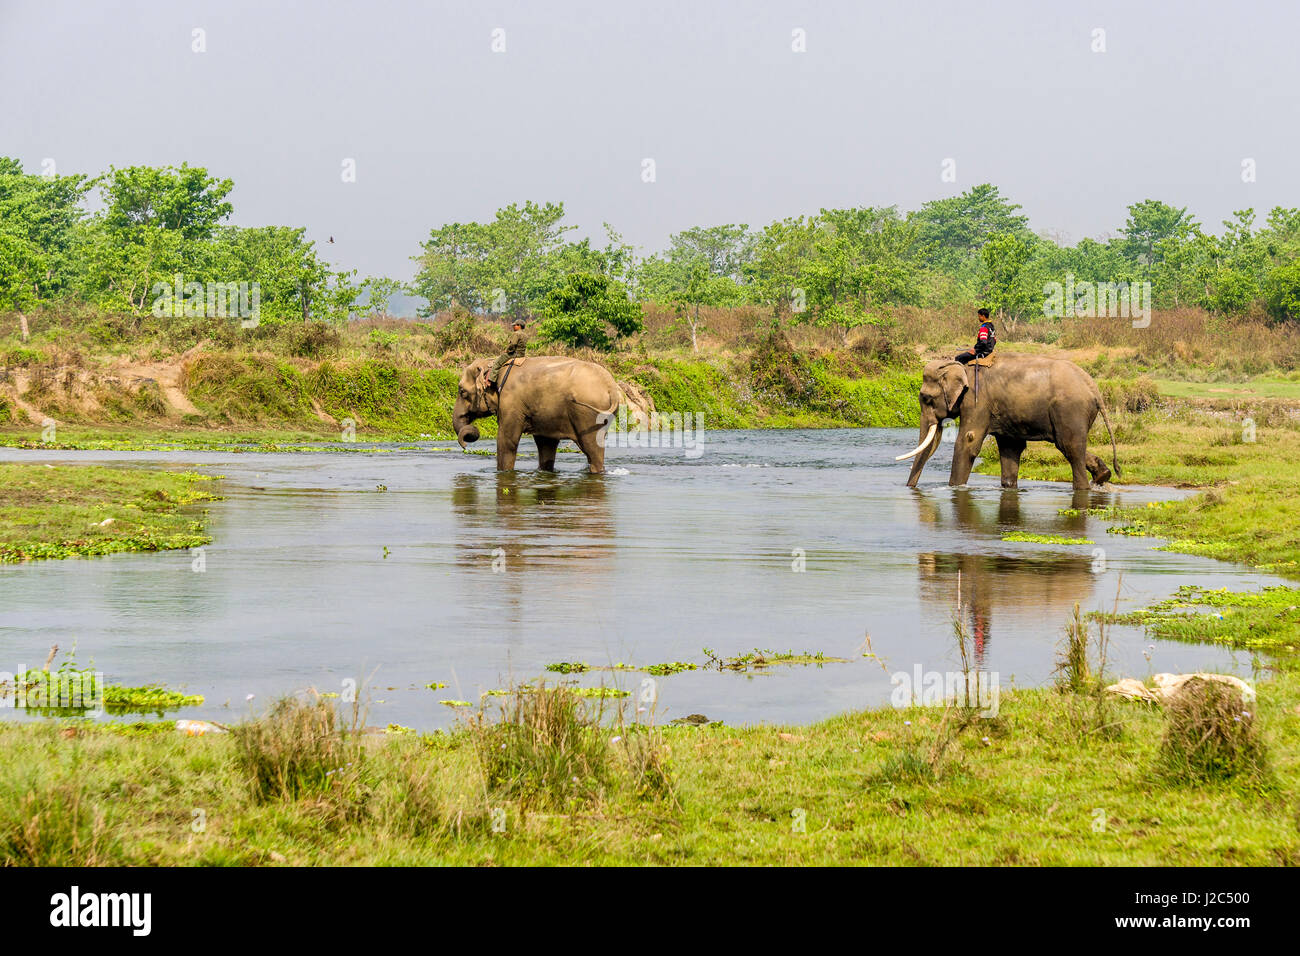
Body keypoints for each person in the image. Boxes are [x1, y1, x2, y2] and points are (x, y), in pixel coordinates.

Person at [488, 319, 528, 389]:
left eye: (515, 325)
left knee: (497, 363)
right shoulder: (525, 335)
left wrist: (507, 351)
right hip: (522, 354)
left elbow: (513, 344)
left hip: (514, 354)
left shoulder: (516, 334)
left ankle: (491, 380)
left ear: (519, 326)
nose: (513, 327)